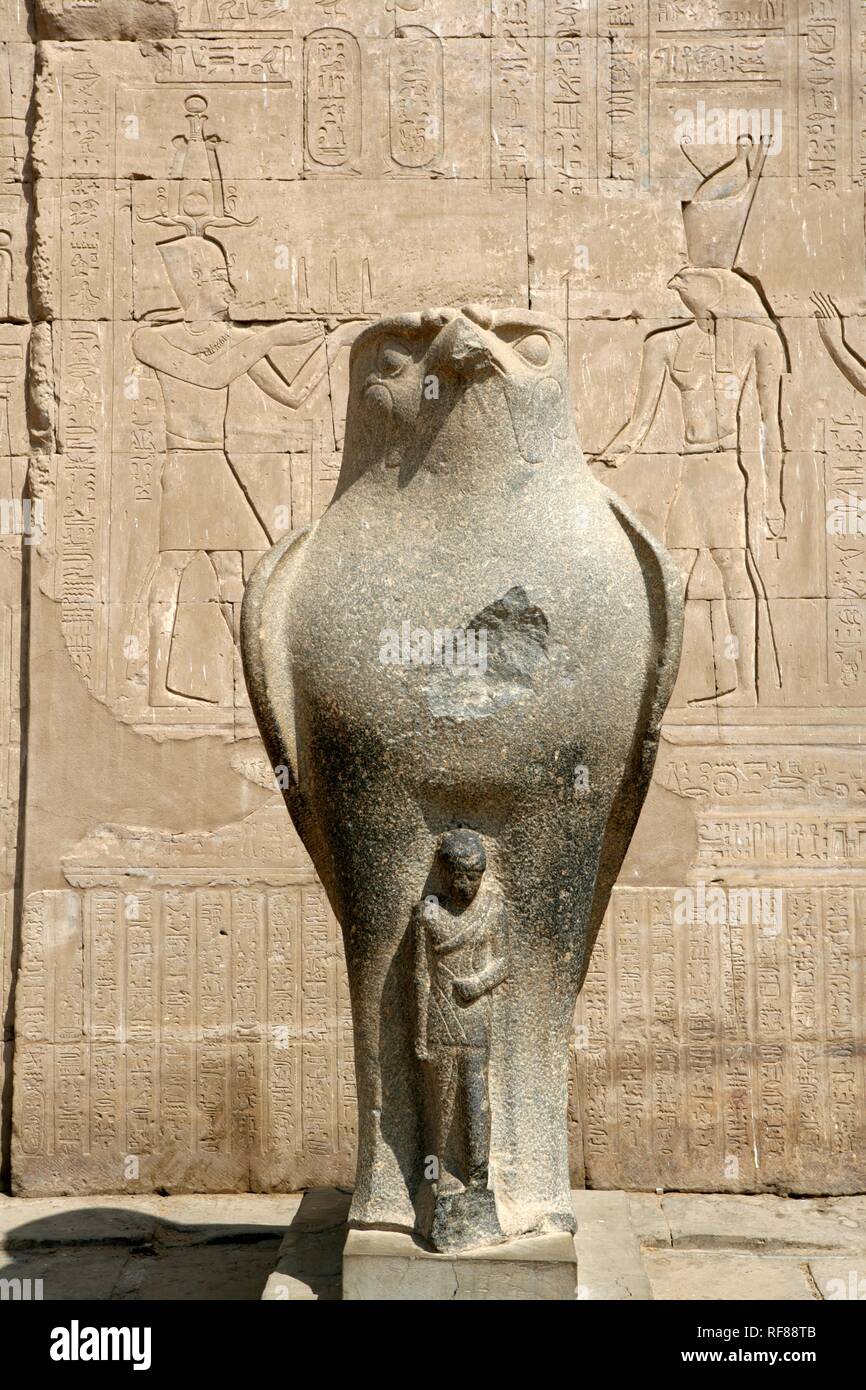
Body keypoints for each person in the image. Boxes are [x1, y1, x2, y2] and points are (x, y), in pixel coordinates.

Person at [598, 266, 785, 702]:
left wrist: (773, 495)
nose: (680, 289)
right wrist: (611, 456)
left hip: (724, 474)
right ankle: (663, 686)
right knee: (674, 573)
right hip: (692, 469)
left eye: (689, 281)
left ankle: (750, 687)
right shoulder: (664, 344)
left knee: (733, 571)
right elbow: (640, 419)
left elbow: (770, 424)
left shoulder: (757, 340)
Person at [413, 830, 508, 1203]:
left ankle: (478, 1175)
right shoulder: (428, 913)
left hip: (475, 1018)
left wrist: (479, 982)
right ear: (444, 872)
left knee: (475, 1097)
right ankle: (438, 1176)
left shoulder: (493, 909)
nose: (467, 885)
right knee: (441, 1104)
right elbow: (420, 975)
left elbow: (504, 961)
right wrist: (420, 1032)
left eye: (475, 876)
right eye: (460, 876)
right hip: (439, 1016)